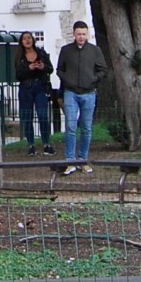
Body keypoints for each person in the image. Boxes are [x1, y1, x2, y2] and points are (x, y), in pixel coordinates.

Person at [56, 21, 109, 173]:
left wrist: (93, 79)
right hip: (71, 93)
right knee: (71, 127)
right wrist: (68, 81)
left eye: (84, 34)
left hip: (89, 93)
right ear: (74, 34)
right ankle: (70, 161)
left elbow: (103, 70)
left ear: (88, 34)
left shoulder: (95, 50)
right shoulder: (66, 50)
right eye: (78, 34)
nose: (81, 37)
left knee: (86, 128)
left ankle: (83, 160)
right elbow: (59, 69)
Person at [14, 32, 55, 155]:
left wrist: (42, 67)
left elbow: (50, 68)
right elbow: (18, 75)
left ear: (33, 40)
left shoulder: (41, 53)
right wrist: (29, 68)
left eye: (29, 38)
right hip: (26, 89)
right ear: (21, 42)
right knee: (27, 118)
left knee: (43, 116)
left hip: (40, 87)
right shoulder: (19, 57)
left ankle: (47, 144)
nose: (27, 40)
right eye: (24, 39)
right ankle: (31, 145)